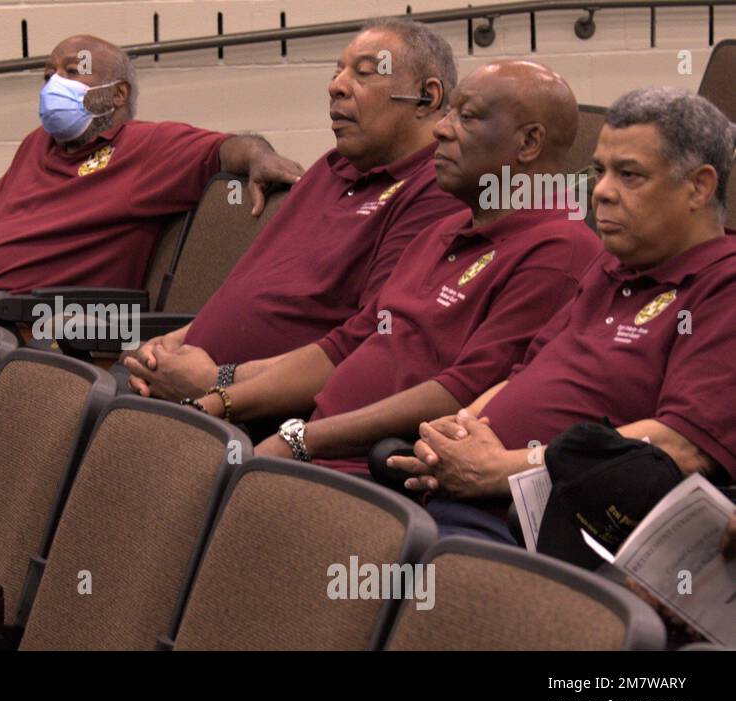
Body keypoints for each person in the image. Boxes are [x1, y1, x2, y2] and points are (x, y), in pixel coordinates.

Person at [182, 62, 600, 542]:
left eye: (468, 118)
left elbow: (463, 390)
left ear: (527, 144)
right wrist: (218, 401)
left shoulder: (559, 252)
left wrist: (298, 439)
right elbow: (347, 344)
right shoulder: (441, 231)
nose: (441, 129)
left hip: (379, 482)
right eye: (449, 114)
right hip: (312, 453)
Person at [388, 88, 736, 543]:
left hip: (543, 531)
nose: (603, 192)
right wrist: (452, 438)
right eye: (599, 171)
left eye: (629, 175)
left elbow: (678, 445)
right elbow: (522, 377)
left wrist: (500, 471)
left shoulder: (723, 285)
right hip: (460, 499)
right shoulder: (612, 265)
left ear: (699, 186)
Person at [123, 18, 467, 403]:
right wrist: (167, 348)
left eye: (364, 74)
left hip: (255, 411)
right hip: (192, 382)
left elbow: (370, 348)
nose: (336, 86)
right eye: (337, 72)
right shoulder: (331, 168)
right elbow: (246, 293)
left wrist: (220, 380)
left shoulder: (436, 191)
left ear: (427, 96)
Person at [0, 33, 305, 312]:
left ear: (118, 94)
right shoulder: (36, 143)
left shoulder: (144, 146)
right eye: (48, 75)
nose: (54, 84)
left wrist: (259, 155)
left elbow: (225, 149)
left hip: (37, 330)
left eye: (73, 72)